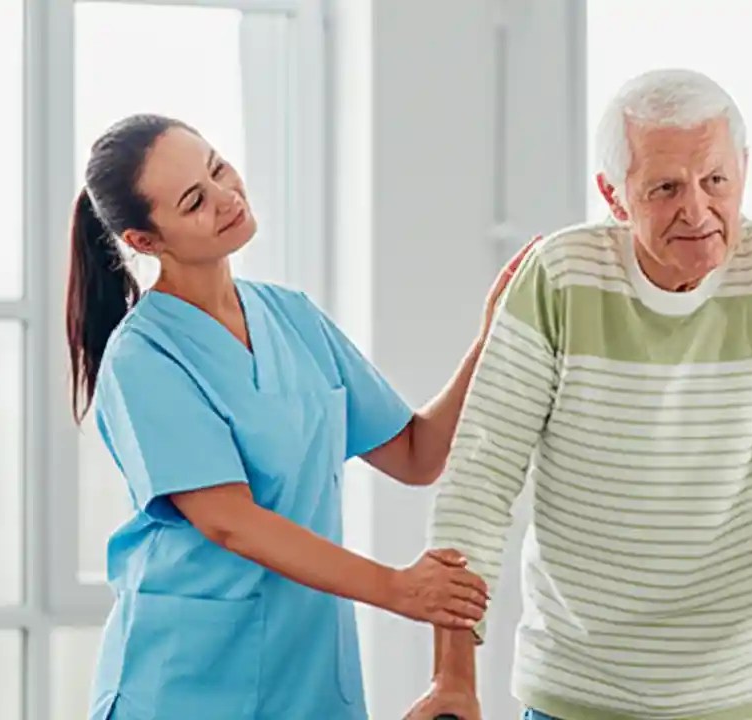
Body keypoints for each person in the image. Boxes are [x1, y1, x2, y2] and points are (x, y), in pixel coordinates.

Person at [406, 69, 752, 720]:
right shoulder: (557, 278)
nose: (697, 209)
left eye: (715, 180)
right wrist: (453, 677)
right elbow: (480, 480)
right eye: (665, 188)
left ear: (743, 170)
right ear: (613, 195)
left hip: (746, 697)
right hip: (574, 696)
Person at [65, 114, 533, 720]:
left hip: (308, 675)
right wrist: (398, 588)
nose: (226, 197)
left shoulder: (292, 316)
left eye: (218, 167)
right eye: (194, 201)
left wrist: (489, 341)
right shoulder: (145, 357)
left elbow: (417, 454)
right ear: (145, 241)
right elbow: (230, 521)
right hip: (187, 681)